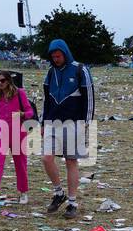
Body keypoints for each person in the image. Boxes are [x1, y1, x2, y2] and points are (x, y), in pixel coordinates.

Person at [40, 39, 94, 219]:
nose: (56, 59)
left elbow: (89, 98)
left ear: (65, 53)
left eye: (58, 56)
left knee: (71, 161)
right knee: (47, 158)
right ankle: (58, 192)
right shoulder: (50, 72)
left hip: (74, 123)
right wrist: (43, 122)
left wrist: (86, 123)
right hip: (52, 122)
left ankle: (72, 202)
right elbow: (46, 100)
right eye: (53, 56)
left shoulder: (80, 70)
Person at [0, 71, 34, 203]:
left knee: (20, 164)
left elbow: (30, 112)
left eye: (2, 80)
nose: (0, 83)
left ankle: (23, 192)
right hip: (1, 133)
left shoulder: (20, 93)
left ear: (9, 81)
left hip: (18, 133)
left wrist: (22, 114)